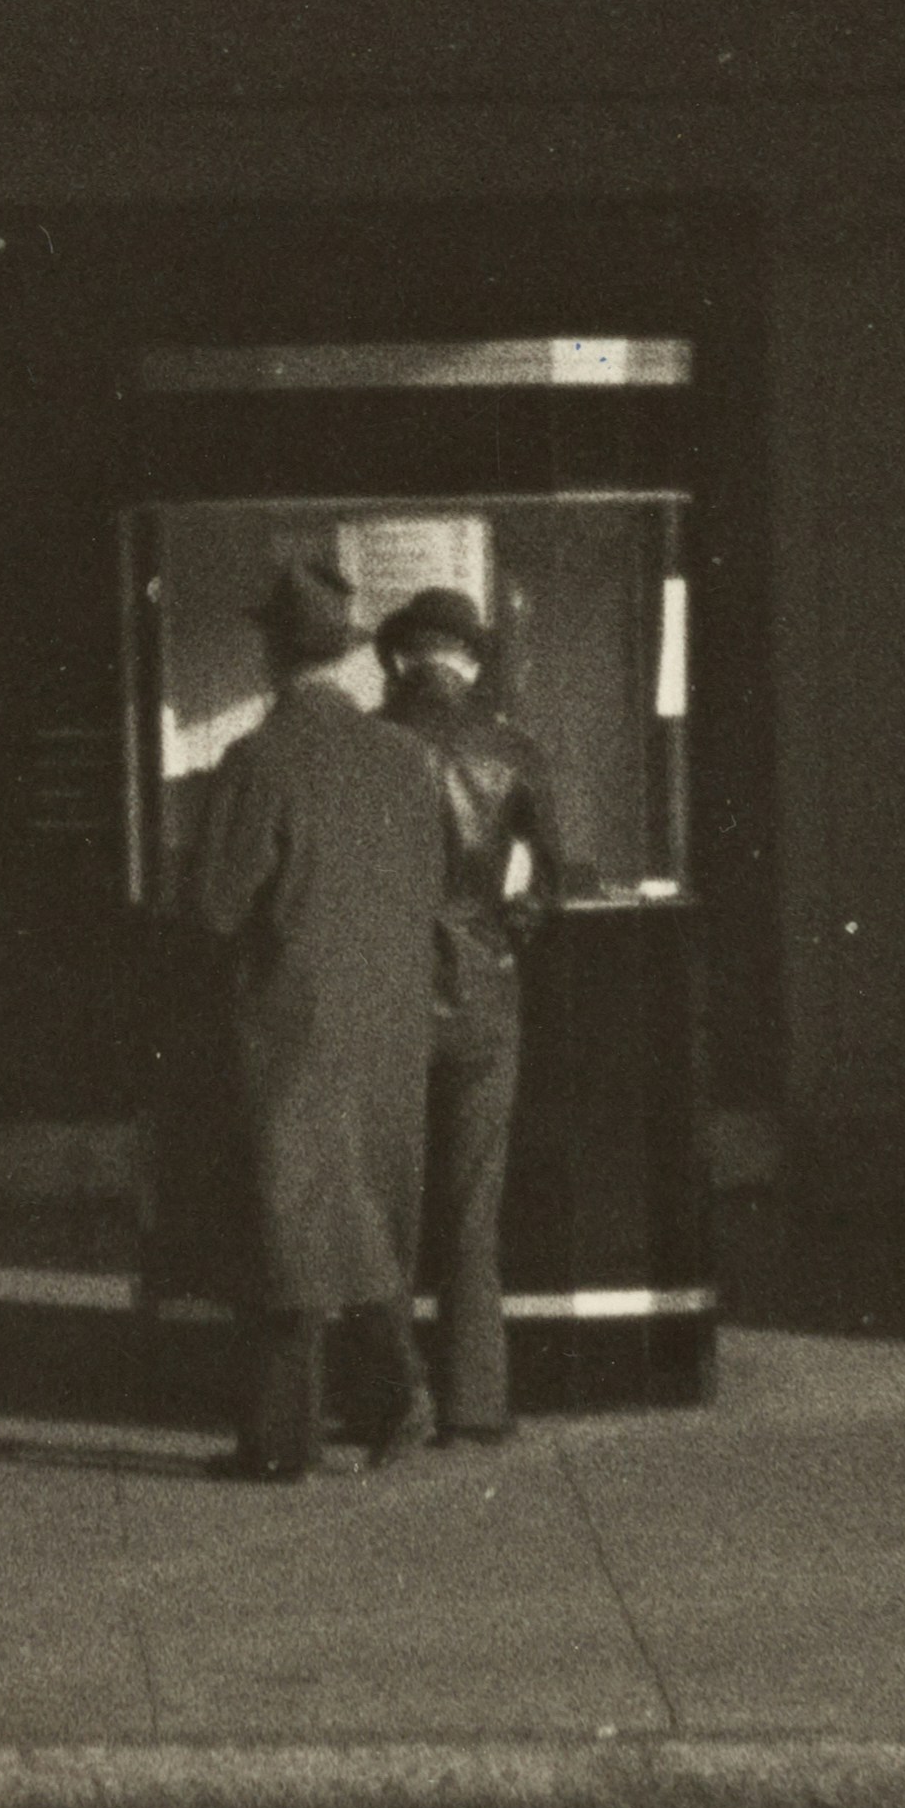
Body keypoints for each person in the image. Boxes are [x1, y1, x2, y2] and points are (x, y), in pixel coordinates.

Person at [163, 547, 458, 1483]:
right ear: (344, 654)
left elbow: (213, 905)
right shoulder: (407, 758)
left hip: (291, 1022)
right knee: (359, 1211)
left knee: (286, 1222)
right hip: (389, 1021)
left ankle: (292, 1438)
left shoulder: (259, 761)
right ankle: (381, 1401)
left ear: (271, 656)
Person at [380, 585, 562, 1446]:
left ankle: (389, 1392)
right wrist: (503, 927)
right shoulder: (512, 751)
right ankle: (475, 1401)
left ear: (399, 657)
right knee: (471, 1208)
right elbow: (543, 882)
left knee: (384, 1201)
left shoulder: (372, 747)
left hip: (384, 996)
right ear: (471, 661)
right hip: (485, 995)